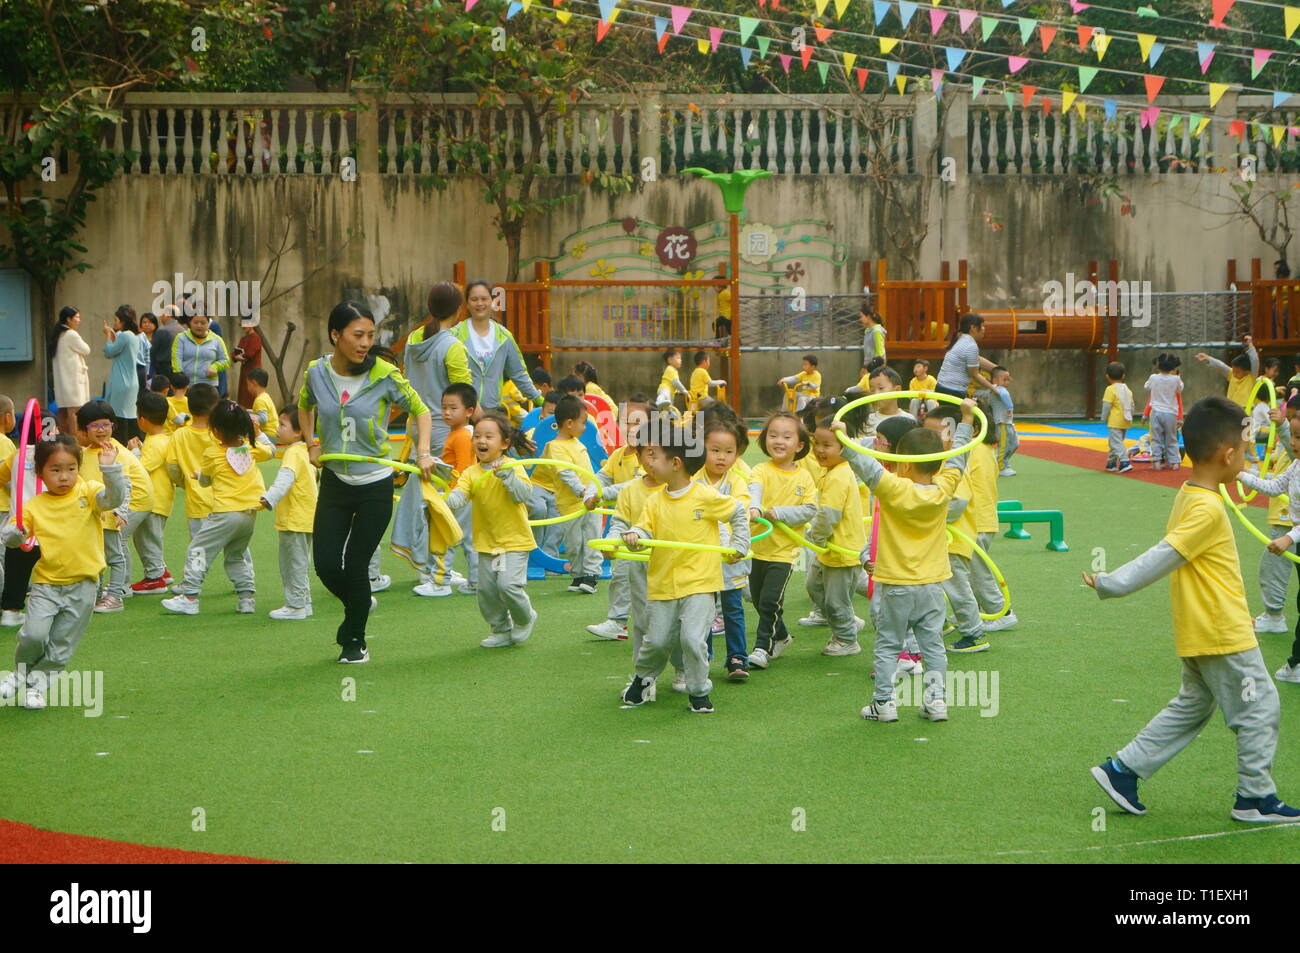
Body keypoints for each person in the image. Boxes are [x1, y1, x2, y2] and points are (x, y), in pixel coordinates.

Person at [1085, 396, 1298, 823]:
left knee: (1193, 705)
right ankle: (1254, 797)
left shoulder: (1192, 494)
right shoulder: (1207, 509)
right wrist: (1113, 583)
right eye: (1248, 446)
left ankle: (1123, 769)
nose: (1252, 454)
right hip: (1222, 632)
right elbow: (1163, 555)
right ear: (1228, 454)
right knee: (1260, 707)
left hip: (1202, 630)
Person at [299, 301, 434, 665]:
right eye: (357, 335)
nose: (365, 343)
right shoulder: (316, 373)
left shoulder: (385, 374)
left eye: (370, 335)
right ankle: (359, 602)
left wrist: (422, 452)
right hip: (335, 480)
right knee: (326, 565)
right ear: (335, 335)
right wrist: (311, 442)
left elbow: (421, 410)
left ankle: (353, 638)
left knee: (357, 565)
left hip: (375, 483)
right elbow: (304, 404)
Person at [837, 400, 977, 723]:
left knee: (887, 646)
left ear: (904, 463)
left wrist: (844, 437)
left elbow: (865, 466)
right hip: (931, 586)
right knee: (933, 647)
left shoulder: (893, 488)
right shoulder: (943, 488)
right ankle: (936, 701)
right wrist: (966, 419)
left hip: (897, 584)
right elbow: (959, 457)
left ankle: (884, 703)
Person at [618, 426, 751, 714]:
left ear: (675, 463)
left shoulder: (705, 496)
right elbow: (643, 528)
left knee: (692, 639)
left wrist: (740, 543)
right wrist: (634, 535)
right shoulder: (654, 502)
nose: (649, 462)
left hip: (700, 583)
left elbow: (738, 511)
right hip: (663, 584)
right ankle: (643, 678)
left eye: (655, 456)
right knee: (657, 641)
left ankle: (699, 691)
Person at [0, 435, 126, 710]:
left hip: (85, 585)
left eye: (70, 469)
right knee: (33, 635)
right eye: (55, 470)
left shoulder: (88, 492)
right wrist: (14, 533)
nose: (64, 476)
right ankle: (19, 674)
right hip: (46, 584)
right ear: (41, 472)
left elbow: (113, 498)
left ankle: (38, 684)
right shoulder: (34, 506)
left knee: (61, 644)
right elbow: (12, 538)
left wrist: (110, 469)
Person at [162, 400, 272, 616]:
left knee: (198, 550)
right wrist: (258, 433)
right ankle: (246, 597)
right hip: (249, 515)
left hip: (225, 513)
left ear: (217, 431)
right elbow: (271, 450)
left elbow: (206, 481)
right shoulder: (251, 448)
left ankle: (190, 596)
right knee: (236, 555)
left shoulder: (212, 453)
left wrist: (198, 475)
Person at [444, 412, 539, 648]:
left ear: (504, 443)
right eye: (476, 436)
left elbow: (523, 496)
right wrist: (442, 501)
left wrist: (508, 477)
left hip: (514, 541)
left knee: (508, 585)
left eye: (488, 436)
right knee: (486, 590)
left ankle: (525, 617)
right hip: (487, 543)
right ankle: (500, 629)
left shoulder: (512, 467)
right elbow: (459, 497)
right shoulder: (470, 472)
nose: (481, 441)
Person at [745, 411, 818, 670]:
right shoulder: (760, 470)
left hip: (784, 552)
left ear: (799, 445)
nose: (779, 441)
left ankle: (762, 648)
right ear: (765, 440)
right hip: (757, 548)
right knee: (759, 599)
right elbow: (754, 489)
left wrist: (777, 513)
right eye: (773, 435)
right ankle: (782, 635)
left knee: (769, 600)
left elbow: (810, 509)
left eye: (787, 436)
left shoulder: (804, 477)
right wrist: (754, 508)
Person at [1236, 398, 1300, 682]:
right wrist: (1239, 475)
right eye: (1294, 436)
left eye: (1298, 437)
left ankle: (1296, 665)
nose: (1293, 443)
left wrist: (1290, 536)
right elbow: (1274, 487)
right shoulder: (1296, 466)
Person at [803, 402, 868, 658]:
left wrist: (815, 537)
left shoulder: (840, 475)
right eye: (817, 443)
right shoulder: (831, 471)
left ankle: (846, 638)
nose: (819, 450)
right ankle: (848, 621)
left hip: (842, 551)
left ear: (845, 447)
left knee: (835, 599)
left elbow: (829, 514)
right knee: (814, 586)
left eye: (827, 445)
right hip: (829, 550)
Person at [74, 400, 152, 614]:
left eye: (106, 424)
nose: (101, 430)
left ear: (113, 425)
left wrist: (121, 511)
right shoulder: (82, 453)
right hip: (90, 517)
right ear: (84, 429)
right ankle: (96, 594)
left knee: (115, 557)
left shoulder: (117, 452)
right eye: (95, 426)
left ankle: (116, 595)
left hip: (110, 516)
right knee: (94, 555)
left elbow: (124, 484)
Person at [923, 405, 988, 654]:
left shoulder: (952, 465)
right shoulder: (940, 463)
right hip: (943, 539)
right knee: (937, 586)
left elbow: (957, 502)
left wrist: (929, 515)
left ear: (952, 434)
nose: (928, 439)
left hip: (954, 540)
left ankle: (974, 633)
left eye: (934, 433)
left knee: (957, 588)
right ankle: (942, 624)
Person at [696, 418, 753, 679]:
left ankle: (737, 657)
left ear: (737, 454)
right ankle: (703, 657)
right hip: (702, 556)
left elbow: (738, 511)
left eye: (729, 452)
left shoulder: (738, 482)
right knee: (703, 609)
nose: (722, 457)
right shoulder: (693, 479)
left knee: (732, 608)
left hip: (730, 557)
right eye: (715, 450)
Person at [260, 407, 319, 621]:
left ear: (298, 431)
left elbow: (285, 478)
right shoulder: (305, 451)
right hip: (305, 517)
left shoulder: (293, 453)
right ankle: (304, 602)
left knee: (291, 564)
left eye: (283, 425)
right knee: (299, 562)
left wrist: (269, 498)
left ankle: (296, 605)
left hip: (294, 519)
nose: (277, 428)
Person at [450, 279, 542, 414]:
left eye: (484, 299)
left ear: (492, 301)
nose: (479, 303)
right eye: (474, 299)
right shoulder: (455, 335)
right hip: (461, 411)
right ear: (467, 304)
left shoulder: (504, 336)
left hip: (492, 411)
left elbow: (518, 373)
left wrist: (539, 400)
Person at [405, 282, 472, 458]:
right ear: (459, 310)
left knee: (423, 484)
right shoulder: (452, 346)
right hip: (445, 429)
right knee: (451, 484)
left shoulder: (413, 338)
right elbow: (465, 395)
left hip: (415, 426)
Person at [543, 395, 602, 594]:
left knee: (591, 539)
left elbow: (587, 473)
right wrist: (581, 492)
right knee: (574, 543)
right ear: (569, 423)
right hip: (572, 504)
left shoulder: (577, 443)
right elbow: (566, 474)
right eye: (583, 422)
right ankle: (578, 575)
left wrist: (591, 493)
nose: (585, 427)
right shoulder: (555, 447)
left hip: (591, 501)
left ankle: (592, 575)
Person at [129, 392, 175, 594]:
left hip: (153, 500)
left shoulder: (156, 442)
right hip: (160, 499)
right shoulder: (159, 438)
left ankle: (154, 576)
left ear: (142, 420)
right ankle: (160, 571)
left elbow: (141, 468)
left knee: (146, 538)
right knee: (151, 537)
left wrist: (134, 452)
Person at [166, 382, 221, 543]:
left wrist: (185, 482)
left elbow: (172, 467)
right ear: (214, 406)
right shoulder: (221, 433)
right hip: (225, 501)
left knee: (198, 552)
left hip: (197, 503)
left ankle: (196, 569)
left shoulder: (179, 435)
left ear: (189, 407)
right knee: (237, 554)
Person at [439, 382, 479, 594]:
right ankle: (474, 580)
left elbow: (464, 468)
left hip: (460, 495)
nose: (446, 412)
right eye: (444, 407)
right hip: (462, 494)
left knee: (448, 535)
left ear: (469, 411)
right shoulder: (457, 433)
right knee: (467, 539)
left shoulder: (462, 436)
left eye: (453, 408)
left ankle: (441, 580)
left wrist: (452, 495)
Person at [934, 312, 997, 401]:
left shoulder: (961, 338)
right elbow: (974, 374)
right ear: (973, 328)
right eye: (982, 326)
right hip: (954, 390)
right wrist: (994, 389)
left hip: (941, 387)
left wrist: (997, 370)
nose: (984, 329)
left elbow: (976, 359)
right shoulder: (971, 345)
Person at [102, 305, 141, 444]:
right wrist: (112, 334)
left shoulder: (124, 336)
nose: (115, 322)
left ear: (123, 321)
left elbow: (108, 351)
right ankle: (135, 443)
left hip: (122, 381)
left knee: (118, 415)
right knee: (129, 414)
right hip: (132, 381)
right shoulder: (134, 336)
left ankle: (121, 443)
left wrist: (107, 335)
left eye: (116, 320)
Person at [50, 306, 90, 435]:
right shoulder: (71, 334)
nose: (79, 320)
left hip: (62, 382)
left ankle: (63, 437)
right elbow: (86, 349)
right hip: (72, 381)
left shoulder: (58, 334)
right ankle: (75, 440)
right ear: (68, 319)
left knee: (63, 412)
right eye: (77, 317)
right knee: (74, 412)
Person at [1196, 334, 1259, 415]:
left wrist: (1250, 344)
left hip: (1246, 410)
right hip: (1231, 409)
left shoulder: (1251, 377)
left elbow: (1254, 360)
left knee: (1245, 427)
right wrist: (1208, 358)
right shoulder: (1232, 374)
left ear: (1246, 371)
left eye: (1237, 372)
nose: (1234, 374)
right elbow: (1221, 366)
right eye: (1234, 371)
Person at [1144, 353, 1184, 471]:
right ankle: (1174, 462)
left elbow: (1147, 387)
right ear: (1173, 367)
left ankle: (1156, 462)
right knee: (1171, 438)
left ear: (1158, 365)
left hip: (1156, 411)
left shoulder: (1153, 377)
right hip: (1171, 413)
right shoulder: (1176, 379)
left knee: (1155, 438)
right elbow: (1180, 389)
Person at [172, 311, 231, 386]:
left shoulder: (217, 340)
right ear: (190, 323)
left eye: (203, 323)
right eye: (195, 322)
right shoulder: (181, 338)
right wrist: (181, 380)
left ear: (208, 323)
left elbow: (225, 360)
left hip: (209, 385)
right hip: (186, 385)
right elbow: (176, 360)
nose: (199, 325)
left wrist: (215, 367)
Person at [983, 365, 1018, 476]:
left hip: (1007, 422)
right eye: (1005, 379)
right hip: (1001, 422)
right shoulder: (998, 390)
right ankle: (1000, 467)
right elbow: (1004, 395)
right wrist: (1010, 408)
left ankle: (1004, 462)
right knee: (1004, 445)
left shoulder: (997, 389)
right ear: (995, 380)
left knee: (1014, 444)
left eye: (1009, 379)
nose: (1008, 381)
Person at [1102, 362, 1134, 473]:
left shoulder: (1110, 389)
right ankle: (1111, 462)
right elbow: (1132, 405)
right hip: (1125, 420)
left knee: (1116, 443)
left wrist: (1103, 418)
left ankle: (1124, 462)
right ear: (1123, 376)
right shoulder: (1127, 390)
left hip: (1115, 421)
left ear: (1107, 376)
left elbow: (1107, 405)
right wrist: (1131, 416)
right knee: (1115, 442)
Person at [243, 368, 277, 443]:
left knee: (244, 438)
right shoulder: (265, 396)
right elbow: (260, 413)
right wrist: (247, 411)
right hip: (274, 434)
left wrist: (248, 417)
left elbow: (263, 418)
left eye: (248, 385)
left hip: (268, 435)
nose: (248, 388)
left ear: (254, 383)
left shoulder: (259, 400)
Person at [150, 305, 184, 378]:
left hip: (163, 368)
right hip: (179, 367)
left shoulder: (162, 330)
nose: (161, 316)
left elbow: (153, 351)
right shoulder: (183, 330)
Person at [235, 326, 263, 408]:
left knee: (252, 396)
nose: (244, 326)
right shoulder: (243, 339)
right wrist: (236, 356)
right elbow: (234, 353)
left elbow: (250, 353)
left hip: (254, 372)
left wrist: (239, 356)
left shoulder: (256, 338)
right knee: (243, 397)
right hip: (244, 371)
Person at [656, 348, 689, 413]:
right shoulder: (670, 369)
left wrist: (679, 391)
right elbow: (676, 382)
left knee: (669, 404)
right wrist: (683, 390)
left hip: (670, 392)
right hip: (665, 389)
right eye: (678, 358)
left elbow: (674, 385)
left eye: (680, 358)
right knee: (665, 395)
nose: (680, 360)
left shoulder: (674, 371)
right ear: (670, 360)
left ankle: (669, 414)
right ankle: (659, 401)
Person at [136, 313, 157, 396]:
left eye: (150, 322)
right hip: (141, 370)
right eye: (144, 322)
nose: (147, 324)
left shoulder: (158, 338)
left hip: (154, 370)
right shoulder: (137, 338)